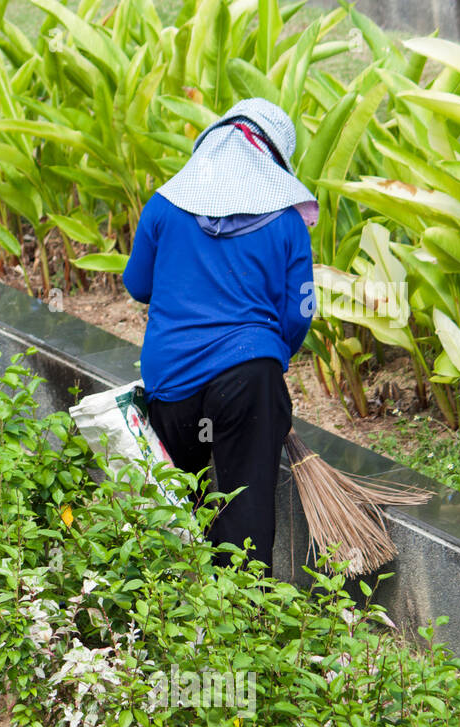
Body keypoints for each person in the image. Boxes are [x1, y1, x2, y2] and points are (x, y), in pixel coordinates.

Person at [122, 98, 317, 574]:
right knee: (245, 502)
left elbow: (137, 285)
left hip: (173, 383)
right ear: (271, 162)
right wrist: (266, 360)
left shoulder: (164, 207)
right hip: (251, 380)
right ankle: (243, 613)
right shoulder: (289, 223)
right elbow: (301, 313)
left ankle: (164, 598)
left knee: (173, 502)